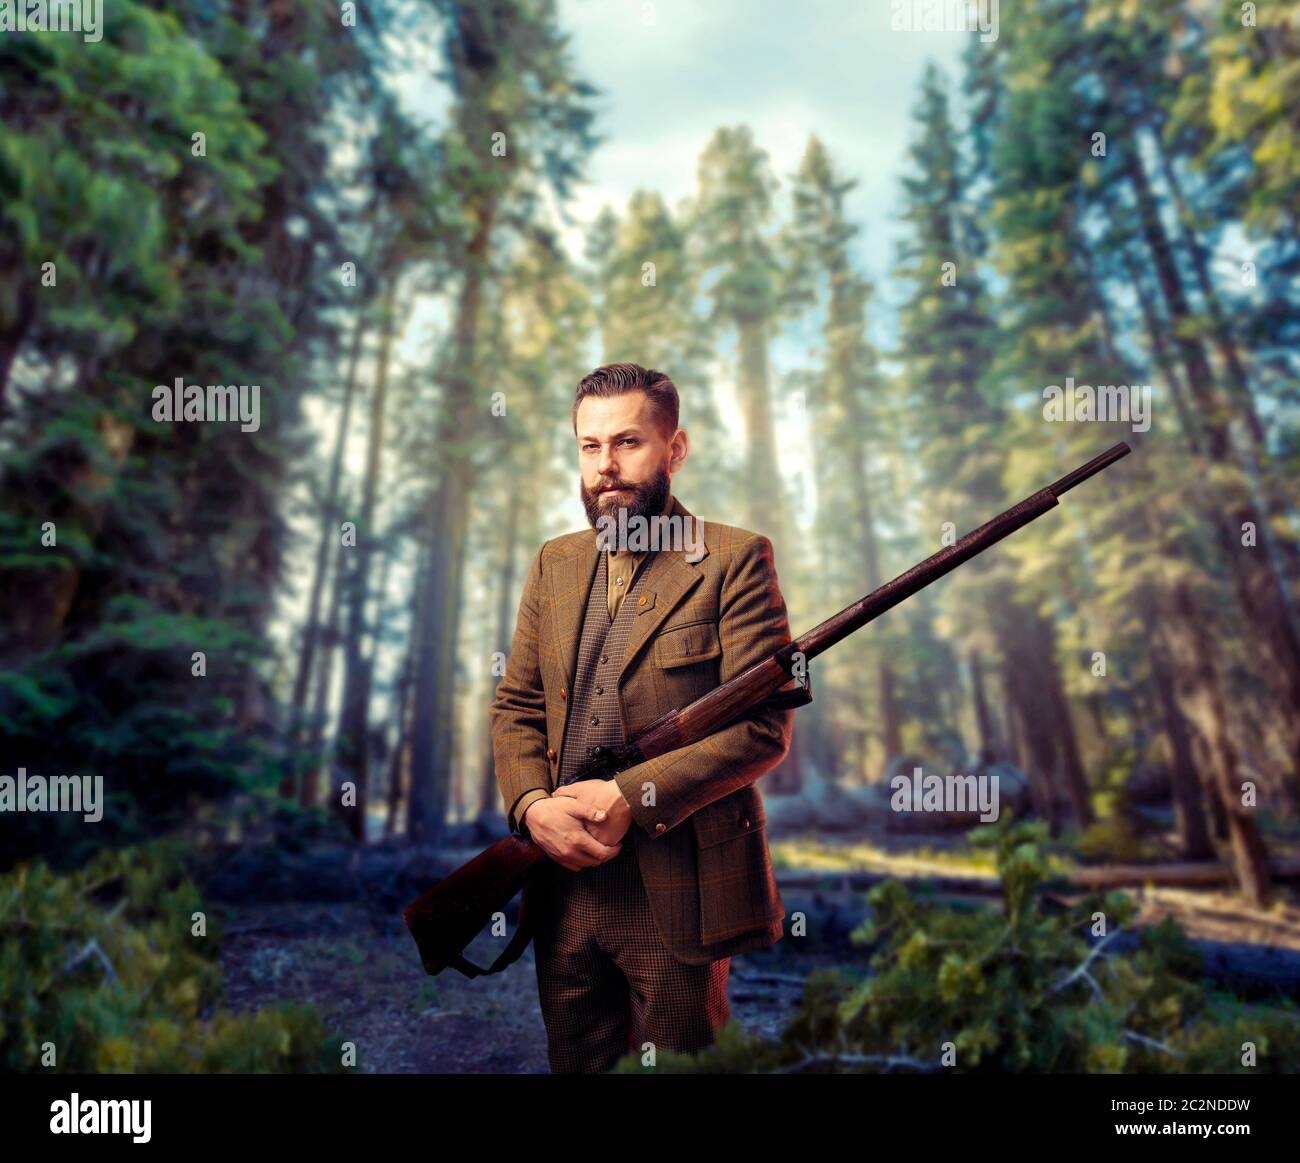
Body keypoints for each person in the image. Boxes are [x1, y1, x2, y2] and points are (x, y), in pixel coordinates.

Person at [490, 362, 795, 1073]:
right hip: (562, 887)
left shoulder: (734, 560)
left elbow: (761, 730)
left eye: (627, 442)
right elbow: (518, 706)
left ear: (676, 449)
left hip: (681, 889)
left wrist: (631, 795)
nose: (606, 467)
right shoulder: (554, 563)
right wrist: (532, 806)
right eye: (589, 446)